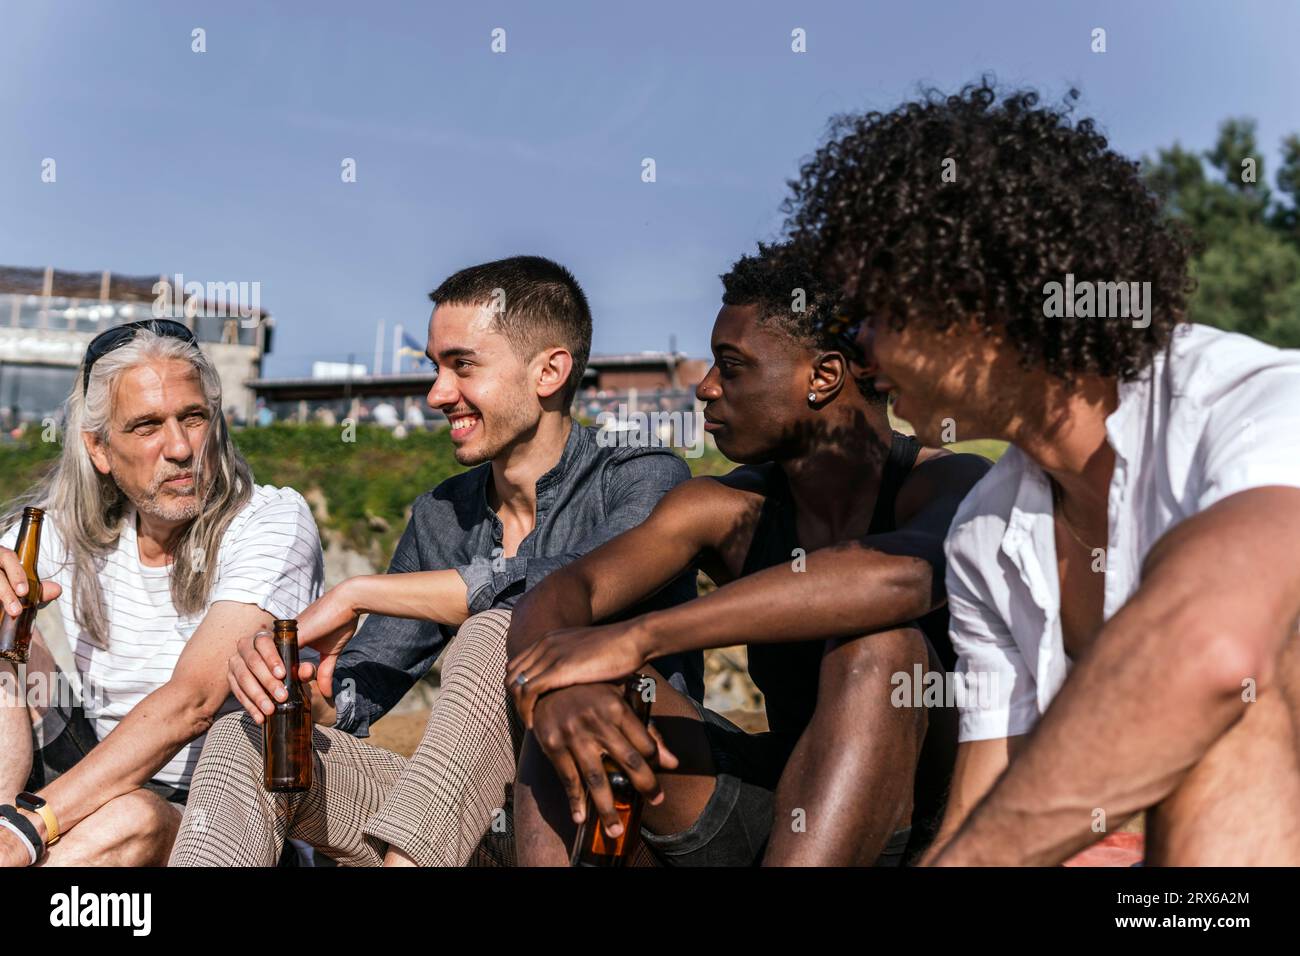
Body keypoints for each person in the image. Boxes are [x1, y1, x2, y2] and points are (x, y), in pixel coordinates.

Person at [782, 79, 1300, 865]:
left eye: (872, 317)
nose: (863, 353)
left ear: (978, 300)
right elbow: (984, 801)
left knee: (1224, 721)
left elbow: (1215, 655)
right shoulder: (984, 536)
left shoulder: (1253, 406)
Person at [169, 256, 704, 867]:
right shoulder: (442, 515)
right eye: (435, 367)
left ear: (549, 371)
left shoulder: (643, 479)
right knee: (248, 738)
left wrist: (358, 592)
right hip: (473, 828)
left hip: (617, 814)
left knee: (494, 633)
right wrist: (310, 695)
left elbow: (565, 585)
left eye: (463, 366)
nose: (436, 394)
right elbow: (363, 687)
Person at [505, 243, 989, 866]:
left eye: (731, 367)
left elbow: (901, 579)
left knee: (881, 648)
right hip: (794, 816)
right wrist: (555, 691)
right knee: (583, 676)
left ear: (823, 377)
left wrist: (640, 636)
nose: (706, 387)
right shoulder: (721, 509)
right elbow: (566, 592)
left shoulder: (949, 483)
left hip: (930, 828)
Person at [0, 319, 324, 867]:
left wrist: (30, 827)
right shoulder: (67, 526)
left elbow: (194, 703)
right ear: (100, 450)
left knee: (134, 817)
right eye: (147, 426)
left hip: (224, 813)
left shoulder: (270, 521)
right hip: (97, 773)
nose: (179, 448)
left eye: (193, 417)